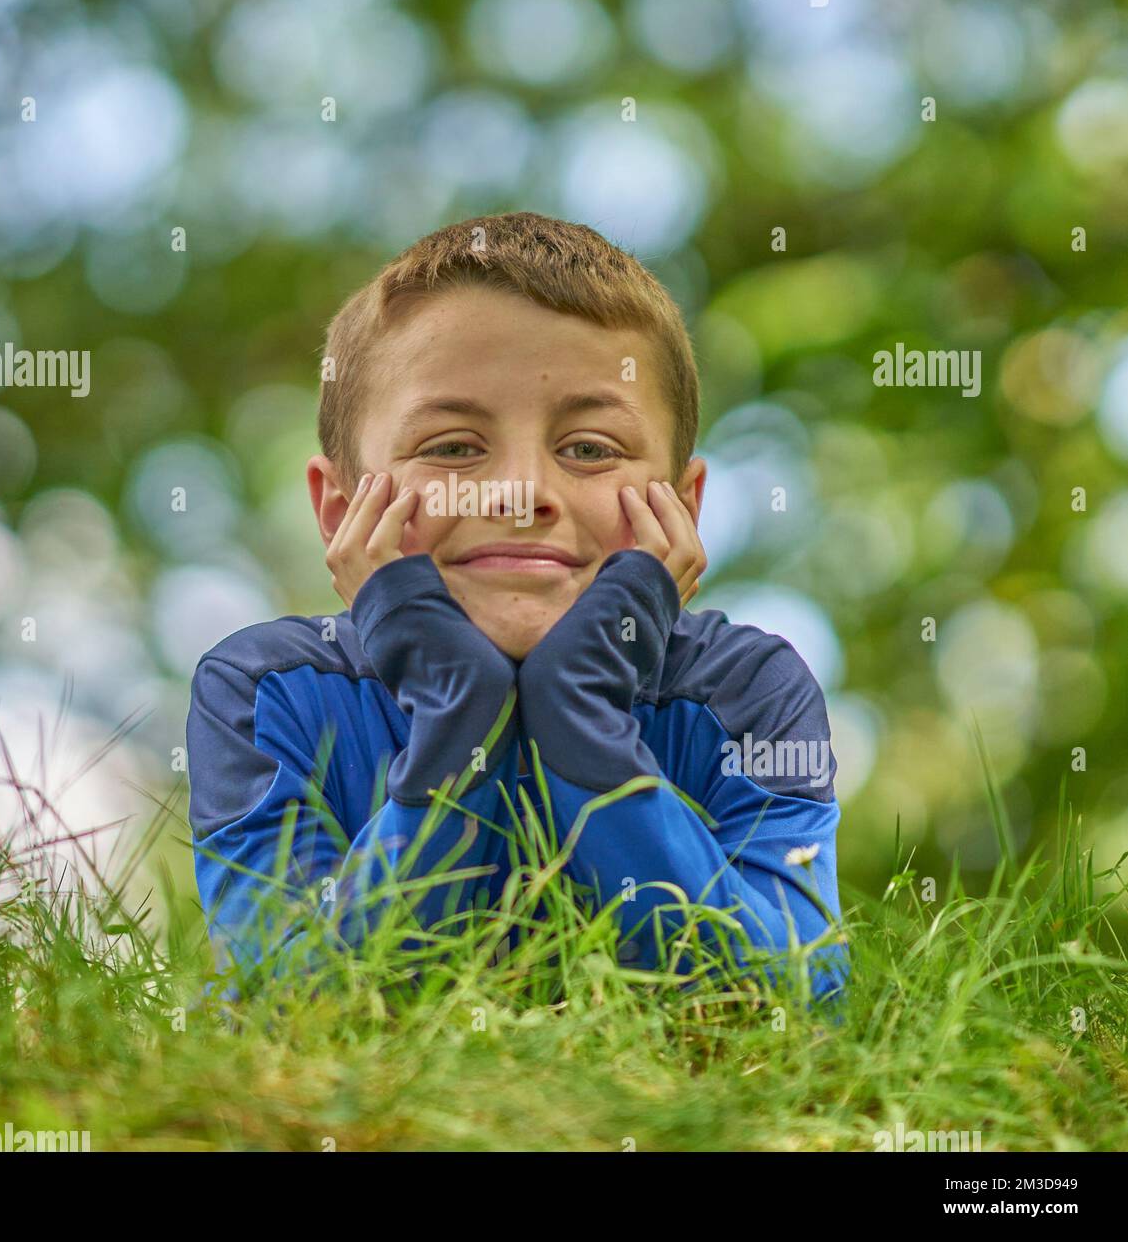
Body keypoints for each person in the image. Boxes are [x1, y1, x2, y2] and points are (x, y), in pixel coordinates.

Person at [187, 211, 847, 1005]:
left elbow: (793, 1002)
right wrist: (458, 706)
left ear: (682, 506)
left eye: (590, 449)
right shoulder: (265, 694)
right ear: (338, 510)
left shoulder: (750, 694)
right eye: (454, 447)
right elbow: (290, 1007)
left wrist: (578, 711)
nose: (524, 493)